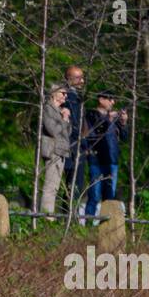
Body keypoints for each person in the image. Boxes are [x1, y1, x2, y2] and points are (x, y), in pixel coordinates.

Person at [83, 92, 129, 221]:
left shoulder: (115, 118)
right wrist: (107, 119)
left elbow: (124, 138)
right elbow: (94, 132)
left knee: (110, 196)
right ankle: (88, 224)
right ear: (101, 99)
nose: (113, 102)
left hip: (112, 161)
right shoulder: (91, 114)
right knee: (94, 195)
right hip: (96, 160)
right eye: (110, 99)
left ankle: (107, 226)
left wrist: (124, 122)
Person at [39, 83, 73, 216]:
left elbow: (67, 133)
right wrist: (64, 120)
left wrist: (66, 120)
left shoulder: (59, 110)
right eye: (63, 93)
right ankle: (46, 219)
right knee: (50, 187)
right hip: (53, 152)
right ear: (54, 93)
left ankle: (49, 217)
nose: (66, 96)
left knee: (55, 188)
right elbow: (52, 130)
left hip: (61, 151)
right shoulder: (48, 108)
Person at [62, 65, 88, 220]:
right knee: (72, 185)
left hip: (78, 146)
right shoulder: (66, 98)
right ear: (69, 78)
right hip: (71, 146)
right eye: (78, 78)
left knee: (77, 185)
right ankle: (68, 216)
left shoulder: (78, 97)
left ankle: (72, 215)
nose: (82, 81)